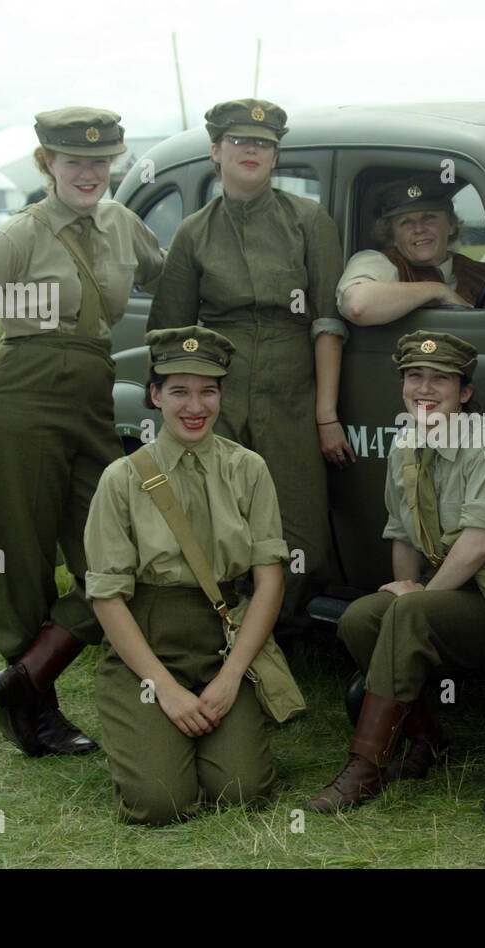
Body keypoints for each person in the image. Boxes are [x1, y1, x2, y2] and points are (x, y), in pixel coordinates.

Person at [0, 107, 165, 758]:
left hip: (93, 399)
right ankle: (38, 715)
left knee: (118, 555)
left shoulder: (124, 227)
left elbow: (167, 279)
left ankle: (24, 678)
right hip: (20, 401)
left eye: (100, 161)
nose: (89, 173)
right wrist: (3, 384)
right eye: (73, 161)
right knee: (20, 555)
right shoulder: (16, 237)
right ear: (47, 164)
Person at [147, 98, 350, 639]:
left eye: (263, 144)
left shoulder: (308, 220)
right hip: (218, 387)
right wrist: (187, 402)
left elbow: (328, 321)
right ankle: (221, 624)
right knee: (216, 511)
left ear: (276, 155)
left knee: (298, 518)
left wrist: (324, 413)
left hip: (293, 386)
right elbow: (170, 331)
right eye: (239, 142)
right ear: (216, 152)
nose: (251, 151)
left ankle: (281, 628)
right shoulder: (194, 232)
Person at [306, 330, 485, 812]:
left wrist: (416, 598)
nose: (423, 389)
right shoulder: (405, 443)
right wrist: (402, 590)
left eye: (439, 380)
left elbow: (475, 548)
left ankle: (365, 766)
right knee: (361, 617)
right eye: (413, 377)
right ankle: (424, 738)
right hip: (447, 595)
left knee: (406, 613)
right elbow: (402, 532)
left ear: (464, 392)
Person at [85, 326, 286, 824]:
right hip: (148, 640)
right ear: (155, 395)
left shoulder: (249, 469)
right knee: (160, 803)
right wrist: (166, 689)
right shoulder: (123, 478)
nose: (194, 406)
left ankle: (203, 732)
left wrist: (233, 674)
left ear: (221, 395)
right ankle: (153, 731)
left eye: (208, 391)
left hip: (223, 638)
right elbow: (107, 597)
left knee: (243, 792)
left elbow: (269, 582)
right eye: (179, 391)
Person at [336, 179, 485, 325]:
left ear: (451, 225)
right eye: (406, 222)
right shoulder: (378, 262)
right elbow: (357, 305)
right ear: (392, 235)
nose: (419, 229)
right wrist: (438, 290)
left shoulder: (483, 273)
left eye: (429, 217)